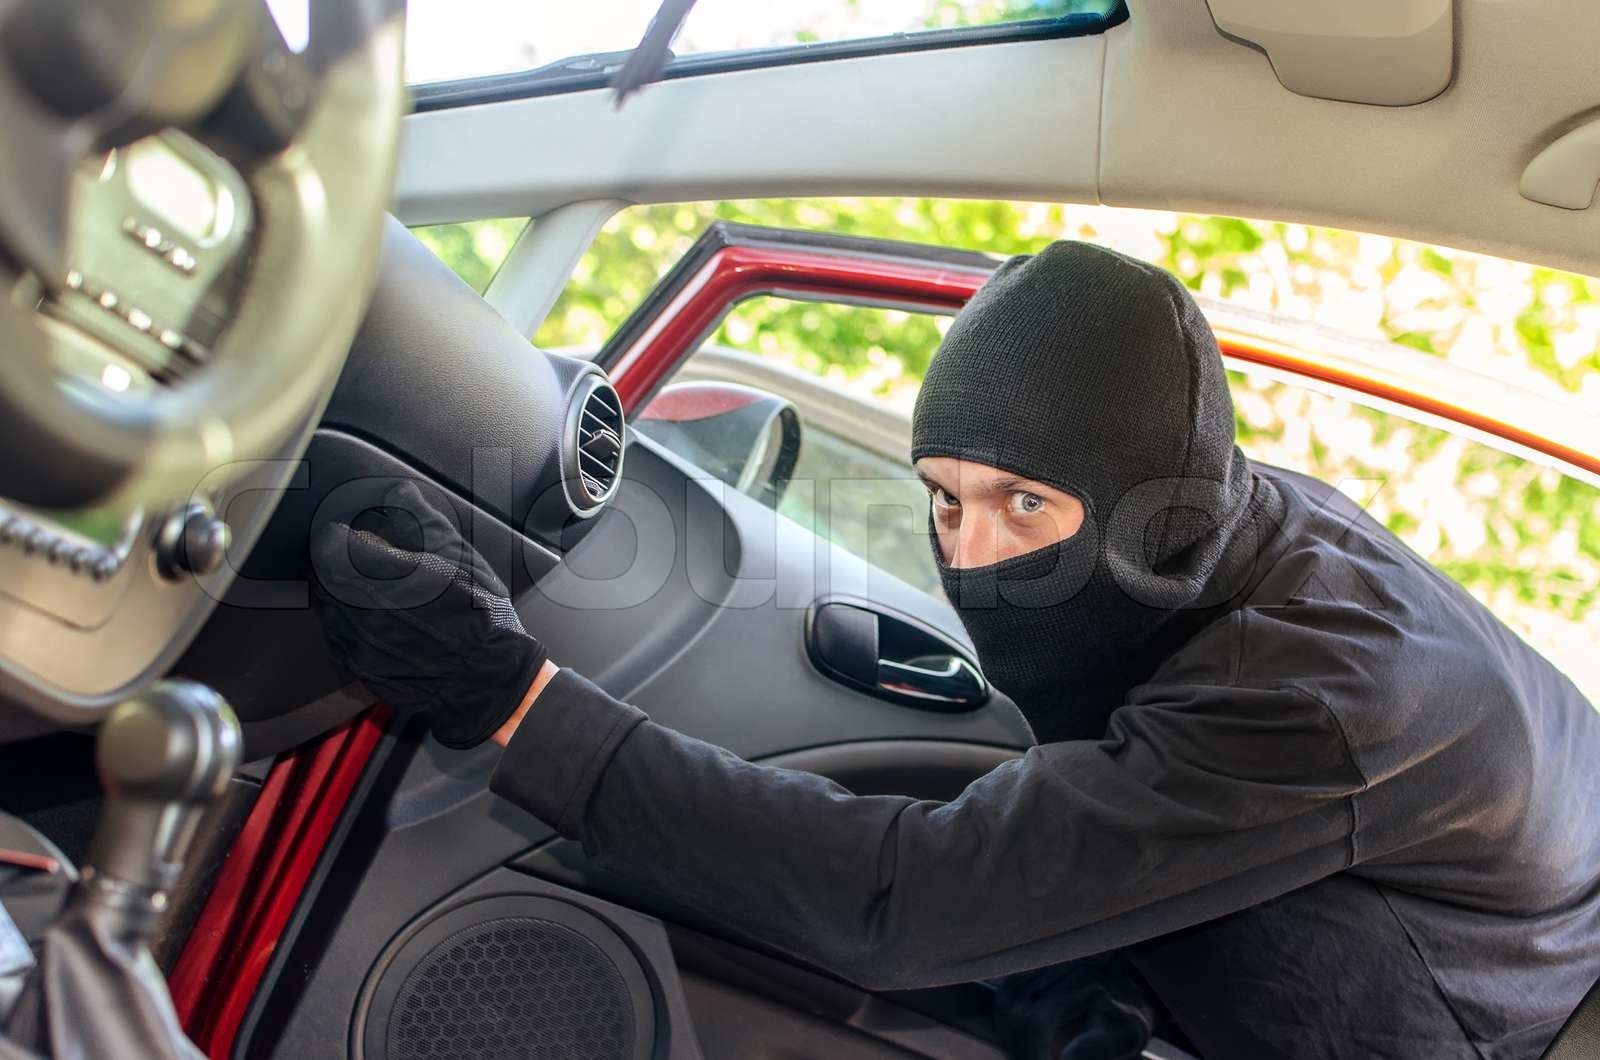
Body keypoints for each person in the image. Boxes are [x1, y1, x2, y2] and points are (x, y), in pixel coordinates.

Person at [311, 242, 1600, 1059]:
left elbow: (901, 905)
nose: (973, 556)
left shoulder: (1319, 688)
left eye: (1025, 505)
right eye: (942, 498)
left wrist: (511, 695)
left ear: (1154, 496)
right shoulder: (1244, 531)